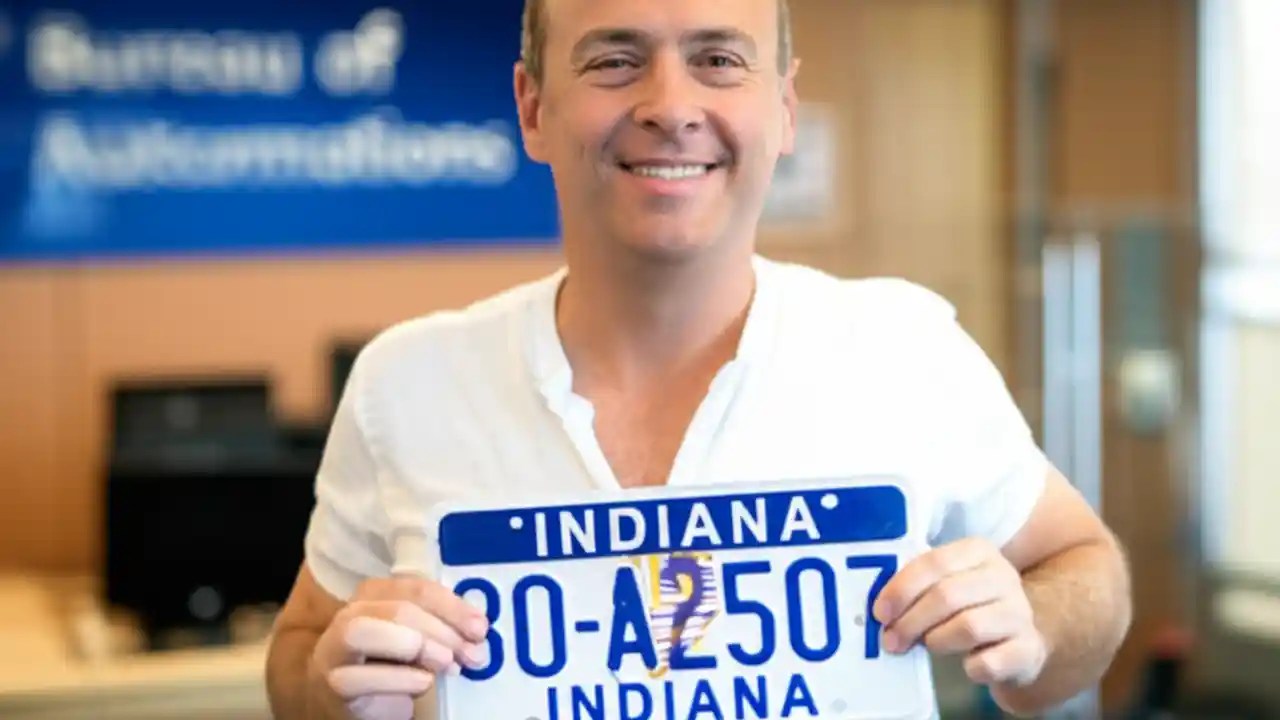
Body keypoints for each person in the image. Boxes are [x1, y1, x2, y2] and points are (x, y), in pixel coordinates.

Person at [264, 0, 1132, 718]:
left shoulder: (903, 348)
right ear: (533, 107)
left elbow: (1086, 567)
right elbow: (301, 650)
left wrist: (1037, 626)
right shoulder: (407, 384)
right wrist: (328, 686)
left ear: (783, 109)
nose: (671, 106)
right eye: (614, 61)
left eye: (718, 59)